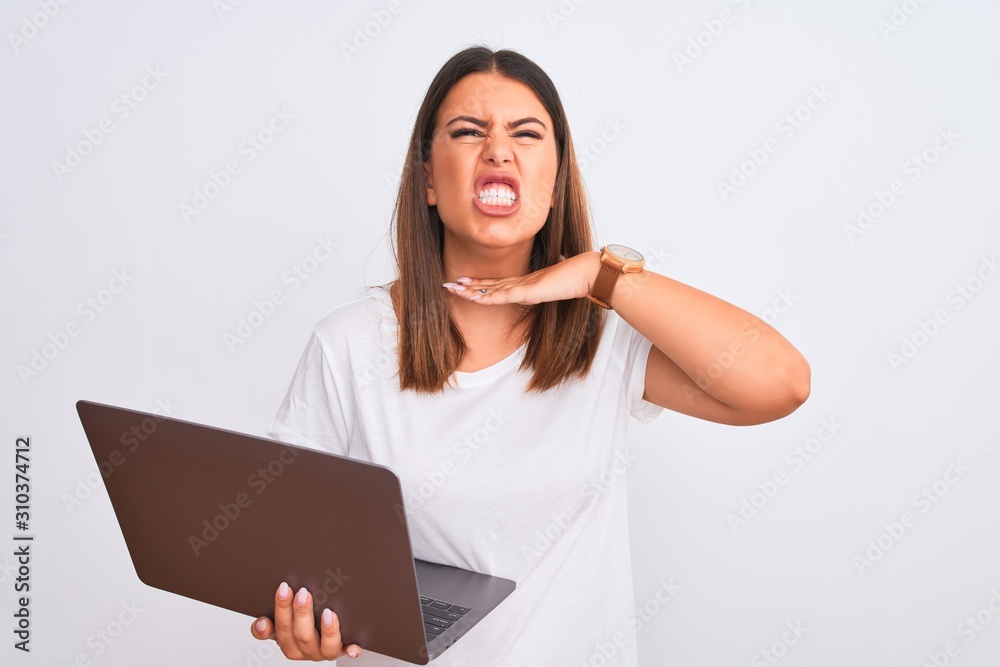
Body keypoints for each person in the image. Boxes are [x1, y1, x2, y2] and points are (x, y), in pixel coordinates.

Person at [249, 46, 810, 664]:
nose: (498, 149)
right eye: (468, 132)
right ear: (429, 179)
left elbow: (780, 384)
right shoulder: (347, 345)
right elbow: (287, 551)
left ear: (555, 177)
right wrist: (303, 616)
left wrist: (603, 275)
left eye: (526, 133)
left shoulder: (602, 337)